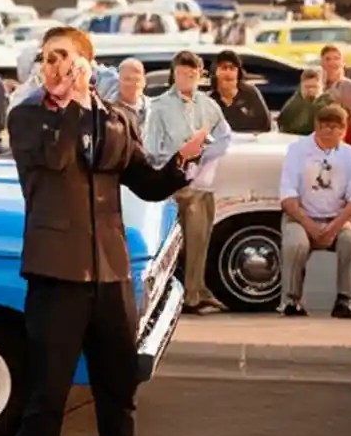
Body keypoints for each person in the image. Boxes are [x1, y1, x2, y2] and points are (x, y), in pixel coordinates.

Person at [7, 26, 204, 436]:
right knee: (47, 397)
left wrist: (182, 163)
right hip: (56, 275)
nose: (55, 67)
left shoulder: (116, 118)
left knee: (118, 394)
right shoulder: (29, 116)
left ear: (89, 64)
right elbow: (54, 159)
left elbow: (146, 180)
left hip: (112, 275)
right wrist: (70, 102)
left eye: (65, 57)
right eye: (48, 59)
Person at [145, 51, 233, 314]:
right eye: (183, 73)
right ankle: (170, 295)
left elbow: (225, 136)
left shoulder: (209, 106)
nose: (188, 78)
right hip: (171, 183)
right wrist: (179, 159)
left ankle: (196, 290)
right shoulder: (159, 106)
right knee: (170, 245)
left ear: (200, 75)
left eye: (193, 73)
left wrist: (205, 155)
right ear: (175, 73)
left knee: (201, 236)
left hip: (201, 181)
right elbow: (151, 148)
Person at [278, 104, 351, 319]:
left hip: (337, 217)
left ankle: (346, 299)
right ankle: (292, 300)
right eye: (324, 125)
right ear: (316, 126)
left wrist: (333, 227)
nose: (329, 131)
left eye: (335, 126)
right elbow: (287, 197)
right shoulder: (297, 150)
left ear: (343, 130)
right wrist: (308, 224)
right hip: (301, 216)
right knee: (296, 244)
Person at [210, 49, 271, 132]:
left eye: (232, 68)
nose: (228, 73)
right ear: (215, 72)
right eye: (224, 68)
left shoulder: (250, 94)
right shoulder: (210, 100)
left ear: (238, 73)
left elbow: (265, 125)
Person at [278, 67, 334, 136]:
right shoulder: (293, 103)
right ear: (301, 86)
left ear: (322, 87)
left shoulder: (330, 103)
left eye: (314, 87)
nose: (310, 90)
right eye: (307, 87)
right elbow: (283, 122)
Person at [115, 57, 151, 126]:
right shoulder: (107, 112)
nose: (132, 83)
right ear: (119, 81)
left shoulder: (156, 110)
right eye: (127, 79)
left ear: (144, 81)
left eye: (137, 79)